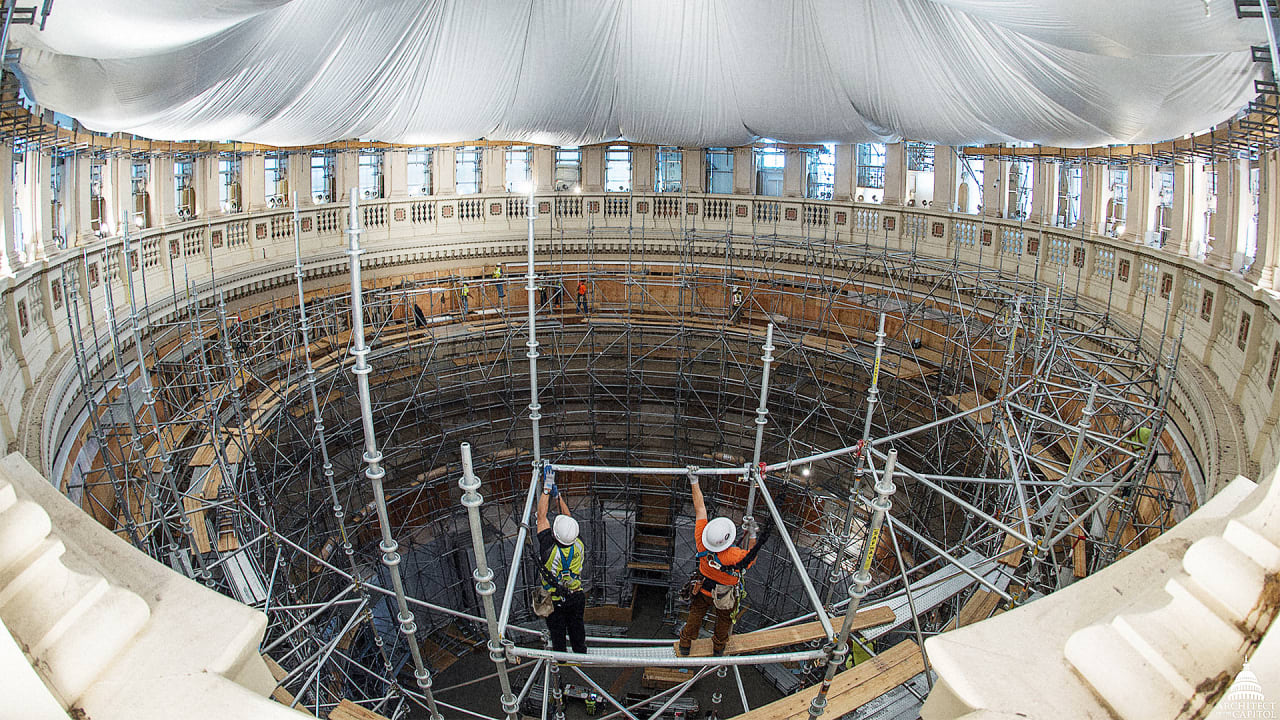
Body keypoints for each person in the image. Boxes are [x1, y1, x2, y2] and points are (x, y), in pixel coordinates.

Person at [677, 474, 772, 656]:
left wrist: (694, 481)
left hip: (703, 588)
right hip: (725, 594)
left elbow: (700, 509)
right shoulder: (734, 556)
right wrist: (752, 534)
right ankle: (719, 647)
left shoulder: (702, 544)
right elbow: (751, 558)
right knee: (724, 621)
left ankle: (685, 643)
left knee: (695, 616)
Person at [536, 465, 587, 653]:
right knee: (577, 626)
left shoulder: (549, 549)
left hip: (554, 600)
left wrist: (546, 490)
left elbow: (542, 516)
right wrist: (559, 497)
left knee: (557, 631)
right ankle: (580, 651)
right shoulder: (578, 545)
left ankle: (561, 656)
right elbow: (569, 520)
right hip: (576, 596)